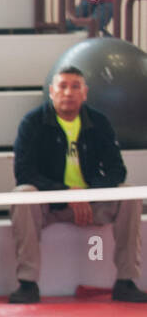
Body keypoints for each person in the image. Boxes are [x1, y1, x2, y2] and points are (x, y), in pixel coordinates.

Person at [8, 65, 146, 304]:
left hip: (92, 204)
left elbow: (117, 170)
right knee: (22, 194)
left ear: (85, 92)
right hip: (50, 206)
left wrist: (89, 194)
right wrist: (65, 193)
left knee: (130, 193)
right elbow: (24, 172)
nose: (68, 92)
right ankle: (28, 284)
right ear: (52, 91)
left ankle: (126, 282)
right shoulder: (32, 123)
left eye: (75, 87)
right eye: (62, 86)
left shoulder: (99, 122)